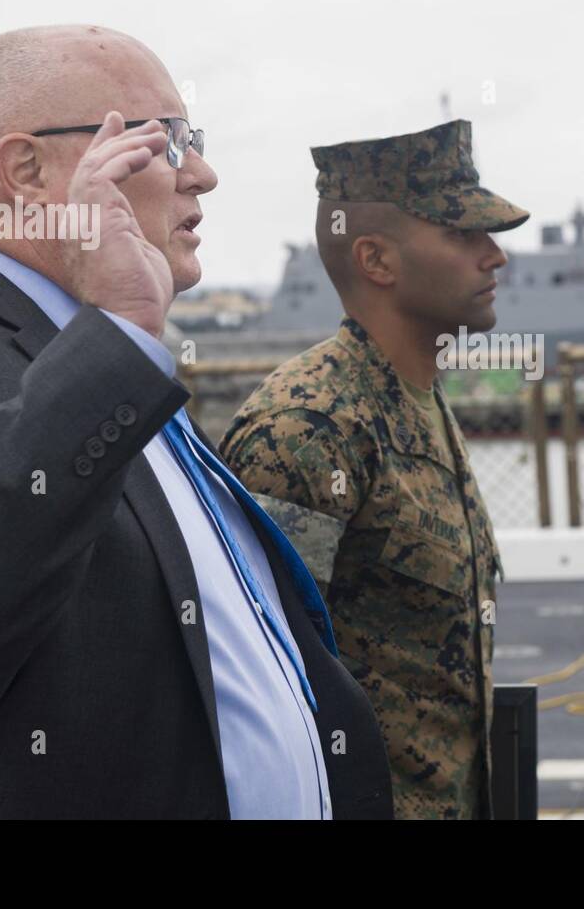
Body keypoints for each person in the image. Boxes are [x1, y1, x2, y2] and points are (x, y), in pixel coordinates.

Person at [0, 25, 391, 819]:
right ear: (27, 172)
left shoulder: (99, 360)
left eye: (190, 140)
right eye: (161, 141)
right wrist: (123, 333)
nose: (200, 173)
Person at [220, 120, 528, 818]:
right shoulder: (309, 428)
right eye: (463, 234)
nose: (495, 256)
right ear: (377, 260)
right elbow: (260, 683)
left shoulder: (418, 400)